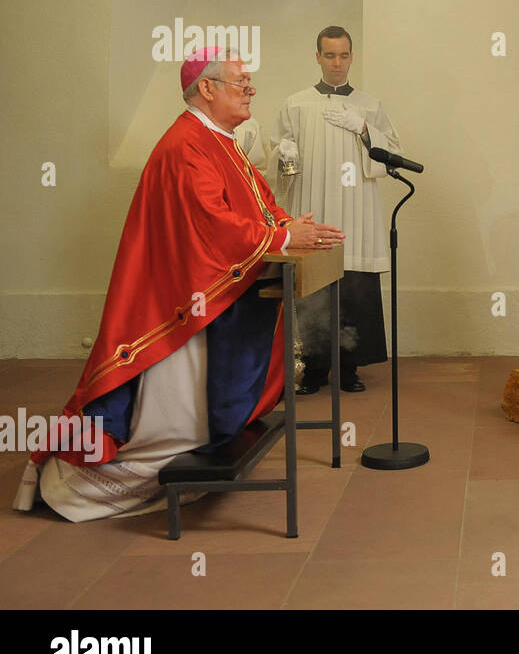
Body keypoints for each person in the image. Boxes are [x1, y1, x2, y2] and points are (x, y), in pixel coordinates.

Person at [13, 47, 344, 522]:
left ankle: (202, 446)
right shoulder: (187, 144)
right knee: (172, 421)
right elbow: (209, 224)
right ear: (206, 89)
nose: (250, 90)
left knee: (191, 418)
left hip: (204, 302)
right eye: (240, 82)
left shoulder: (219, 139)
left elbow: (252, 207)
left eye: (249, 82)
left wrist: (288, 223)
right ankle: (94, 482)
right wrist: (286, 235)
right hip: (181, 309)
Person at [272, 26, 400, 394]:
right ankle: (312, 368)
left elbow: (391, 152)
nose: (337, 63)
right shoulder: (296, 103)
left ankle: (349, 368)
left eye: (344, 55)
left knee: (354, 285)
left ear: (352, 57)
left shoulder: (369, 105)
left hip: (356, 209)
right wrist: (285, 155)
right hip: (313, 206)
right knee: (312, 286)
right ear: (317, 57)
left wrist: (364, 129)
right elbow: (281, 155)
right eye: (330, 55)